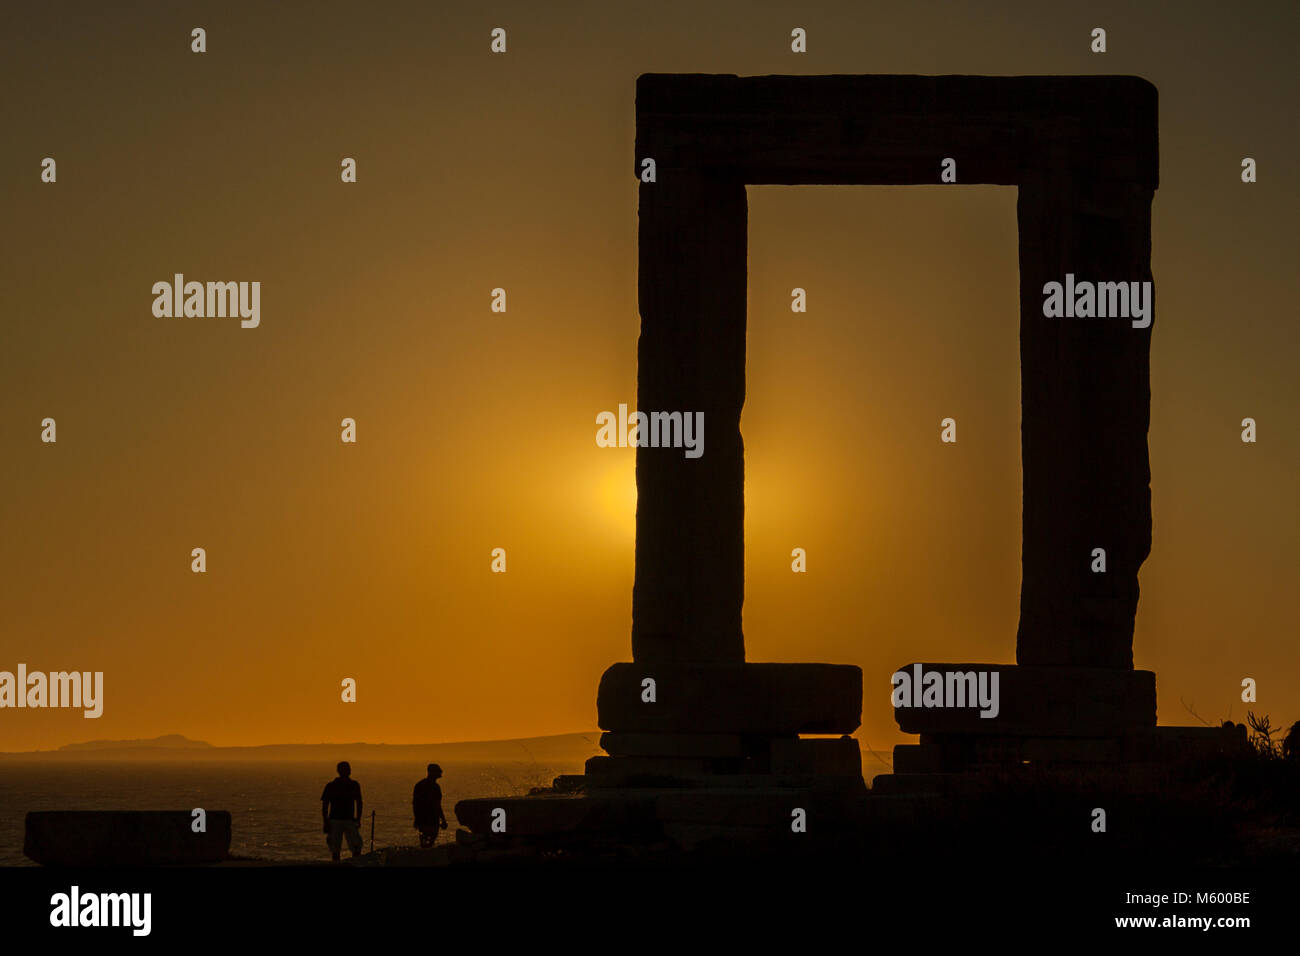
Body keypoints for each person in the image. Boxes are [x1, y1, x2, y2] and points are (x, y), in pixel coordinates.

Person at [321, 760, 364, 862]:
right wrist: (358, 819)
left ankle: (351, 863)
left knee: (353, 846)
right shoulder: (350, 785)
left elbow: (325, 806)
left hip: (342, 820)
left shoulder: (332, 785)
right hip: (340, 820)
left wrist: (326, 821)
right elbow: (359, 803)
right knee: (339, 848)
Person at [412, 763, 448, 848]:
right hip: (430, 819)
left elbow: (415, 804)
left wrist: (416, 819)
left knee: (425, 842)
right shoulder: (435, 787)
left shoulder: (420, 785)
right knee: (428, 842)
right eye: (438, 771)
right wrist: (443, 819)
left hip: (424, 819)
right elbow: (437, 805)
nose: (441, 772)